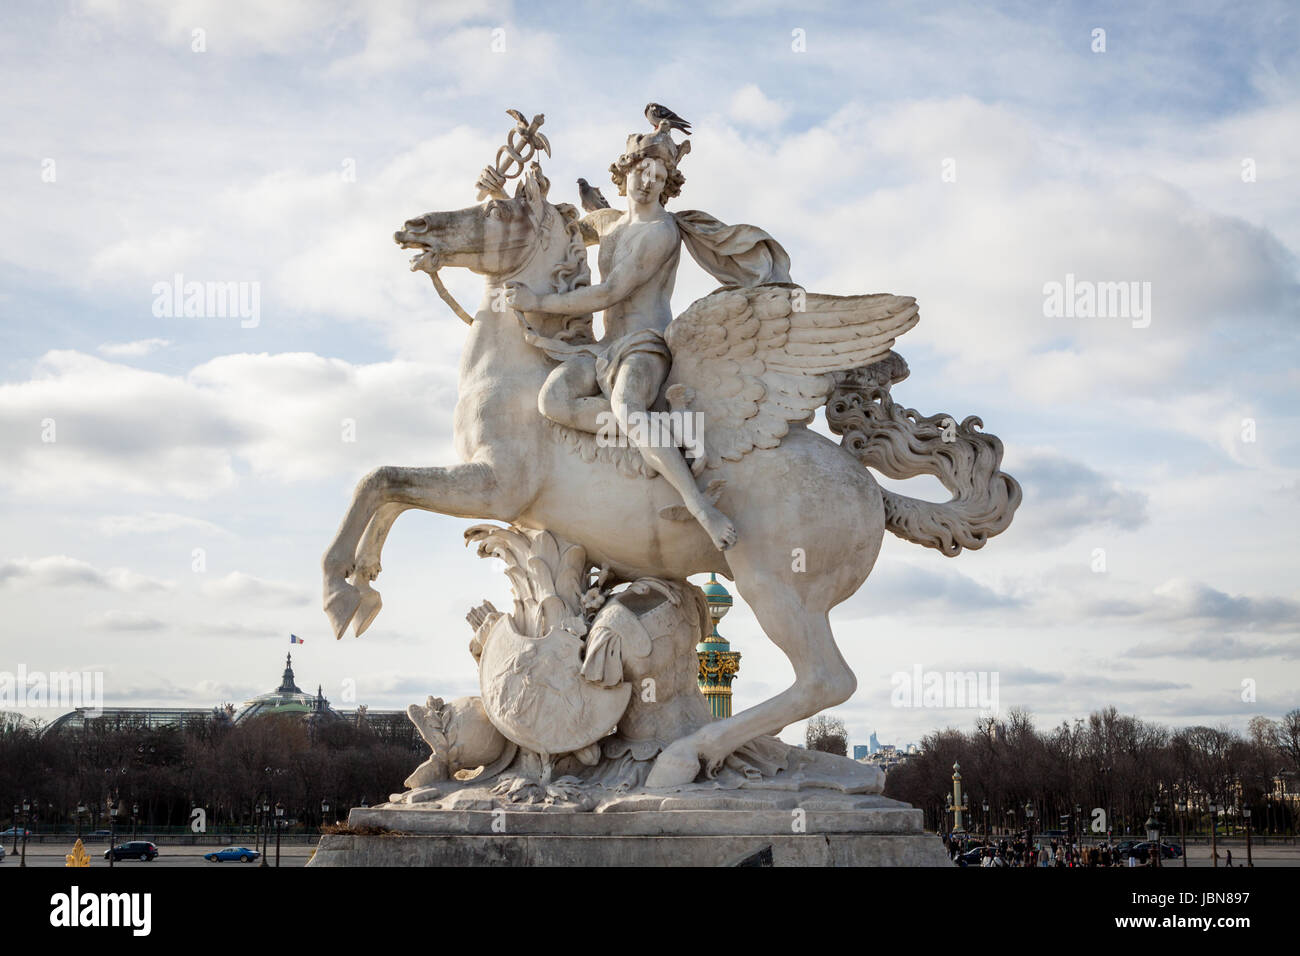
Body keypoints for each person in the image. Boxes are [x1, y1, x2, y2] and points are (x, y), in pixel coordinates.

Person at [505, 124, 790, 553]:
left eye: (658, 178)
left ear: (667, 186)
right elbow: (550, 230)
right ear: (626, 174)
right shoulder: (610, 225)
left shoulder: (661, 232)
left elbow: (609, 292)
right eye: (642, 173)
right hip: (602, 350)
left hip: (644, 345)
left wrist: (537, 302)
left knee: (627, 407)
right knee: (552, 401)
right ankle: (670, 429)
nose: (648, 182)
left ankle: (700, 509)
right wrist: (497, 198)